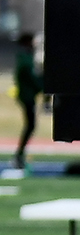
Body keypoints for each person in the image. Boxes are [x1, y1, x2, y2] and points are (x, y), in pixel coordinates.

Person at [13, 32, 41, 172]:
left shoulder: (25, 57)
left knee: (30, 126)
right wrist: (43, 84)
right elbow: (31, 78)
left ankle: (20, 155)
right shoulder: (25, 59)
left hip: (27, 95)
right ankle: (19, 155)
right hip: (27, 96)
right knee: (30, 125)